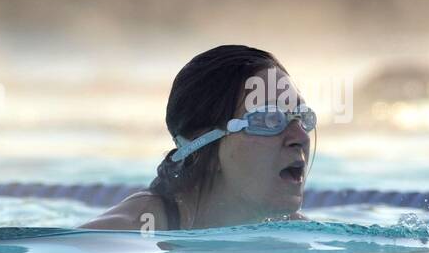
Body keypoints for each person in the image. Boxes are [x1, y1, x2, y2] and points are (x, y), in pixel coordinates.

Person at [82, 45, 314, 230]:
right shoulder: (130, 230)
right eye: (267, 120)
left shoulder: (291, 228)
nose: (300, 136)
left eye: (302, 117)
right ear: (204, 145)